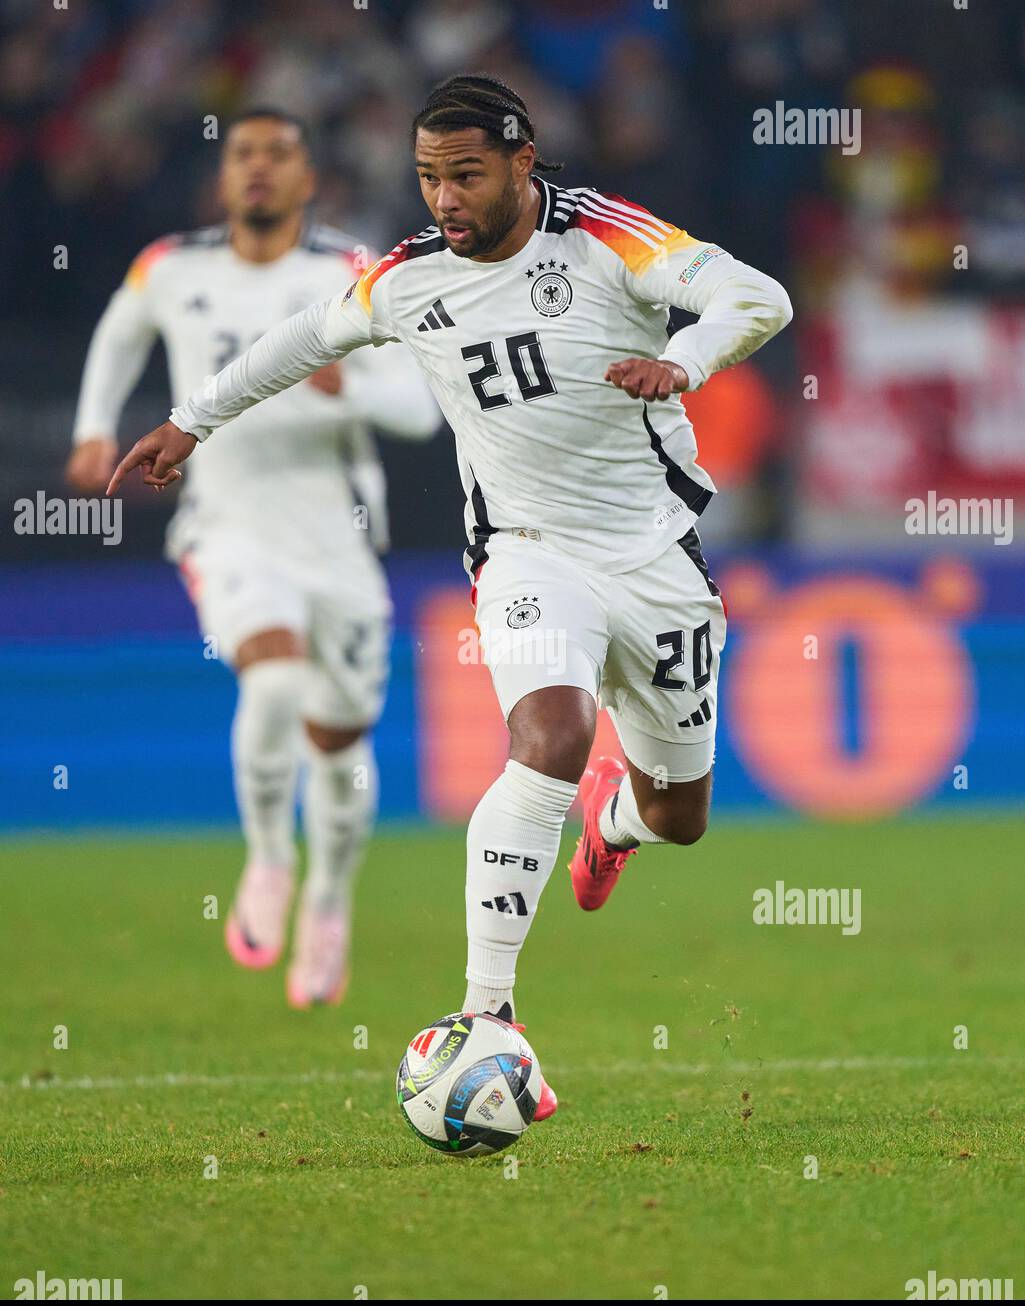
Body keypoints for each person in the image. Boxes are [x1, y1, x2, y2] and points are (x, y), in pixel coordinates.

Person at [107, 76, 793, 1117]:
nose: (445, 198)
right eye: (429, 177)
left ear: (524, 159)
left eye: (465, 173)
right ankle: (487, 1012)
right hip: (525, 554)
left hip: (655, 560)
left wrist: (681, 360)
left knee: (679, 813)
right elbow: (301, 338)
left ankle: (613, 819)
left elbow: (759, 297)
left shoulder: (608, 236)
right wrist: (193, 420)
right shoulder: (407, 278)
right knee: (549, 731)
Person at [69, 108, 441, 1007]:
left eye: (280, 154)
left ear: (309, 178)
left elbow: (422, 409)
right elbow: (122, 332)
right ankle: (271, 857)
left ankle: (329, 901)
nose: (260, 170)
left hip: (339, 532)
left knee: (337, 738)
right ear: (224, 176)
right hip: (226, 522)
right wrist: (91, 429)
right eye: (244, 155)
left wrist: (347, 380)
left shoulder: (352, 272)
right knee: (272, 683)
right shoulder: (171, 264)